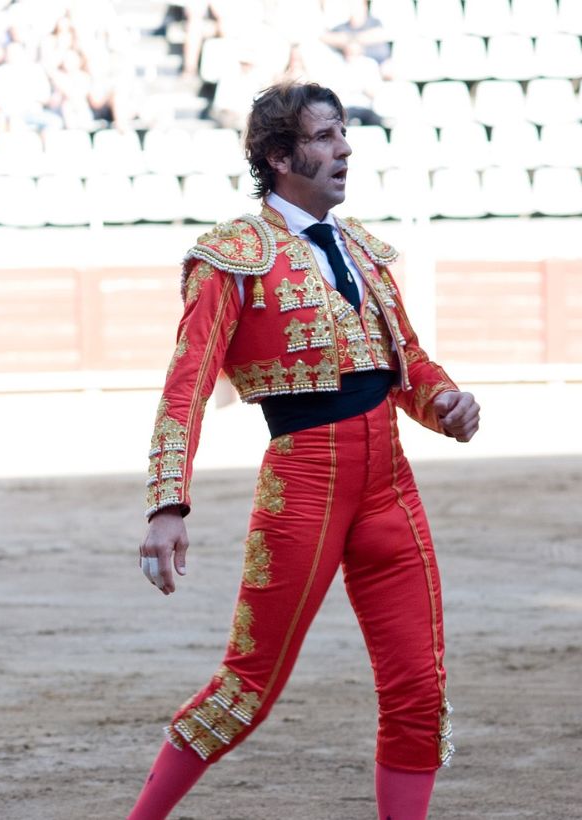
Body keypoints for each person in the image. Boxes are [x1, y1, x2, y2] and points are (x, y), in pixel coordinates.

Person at [128, 81, 480, 820]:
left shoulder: (364, 252)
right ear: (279, 156)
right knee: (247, 688)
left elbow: (406, 361)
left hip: (390, 484)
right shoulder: (232, 257)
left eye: (343, 133)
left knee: (419, 690)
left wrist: (444, 402)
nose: (344, 148)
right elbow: (186, 386)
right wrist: (167, 501)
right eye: (323, 137)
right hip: (306, 486)